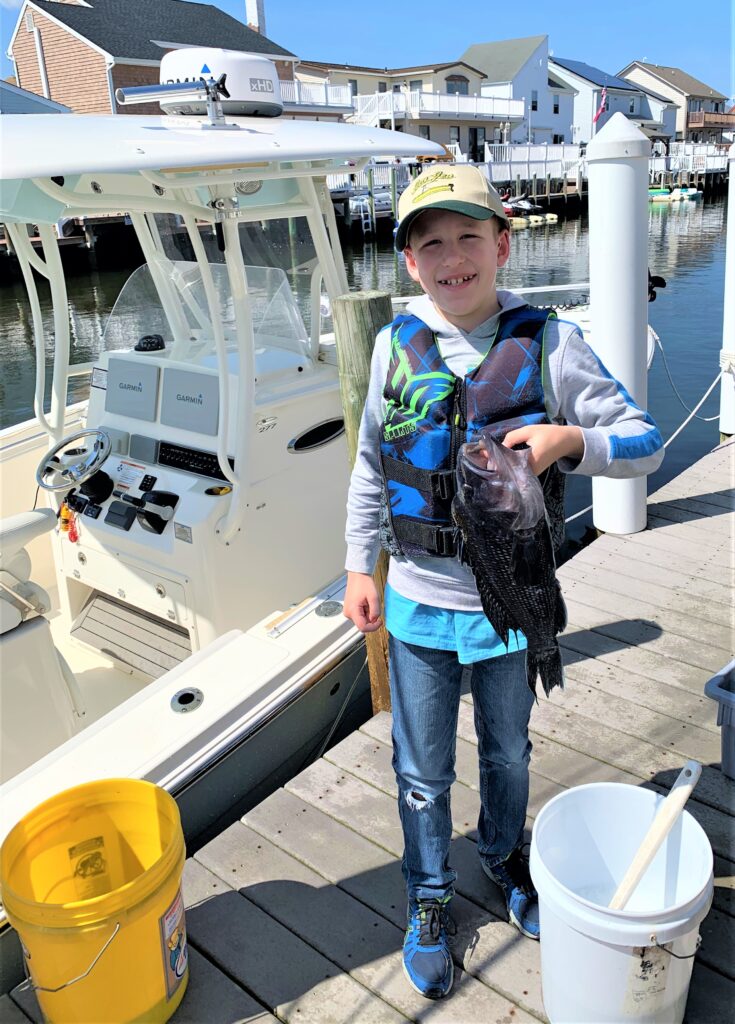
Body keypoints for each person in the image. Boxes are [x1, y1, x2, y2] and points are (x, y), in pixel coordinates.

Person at [342, 164, 664, 1001]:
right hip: (417, 603)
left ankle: (500, 854)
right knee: (419, 770)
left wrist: (569, 442)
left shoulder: (551, 342)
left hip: (513, 609)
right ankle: (429, 897)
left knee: (509, 749)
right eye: (431, 243)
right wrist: (356, 566)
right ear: (410, 262)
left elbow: (643, 440)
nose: (452, 258)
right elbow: (371, 470)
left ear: (502, 245)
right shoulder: (390, 347)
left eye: (468, 238)